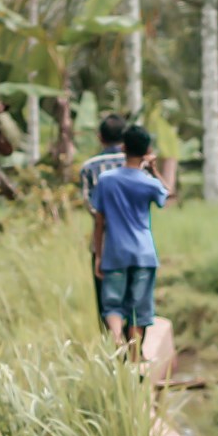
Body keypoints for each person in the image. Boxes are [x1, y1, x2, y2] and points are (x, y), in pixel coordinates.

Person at [90, 124, 171, 352]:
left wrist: (99, 255)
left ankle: (117, 339)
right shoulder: (149, 183)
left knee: (112, 304)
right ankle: (135, 356)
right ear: (147, 150)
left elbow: (99, 221)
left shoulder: (106, 180)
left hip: (115, 251)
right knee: (139, 309)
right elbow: (168, 193)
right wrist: (154, 170)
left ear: (123, 147)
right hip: (144, 253)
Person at [79, 113, 127, 317]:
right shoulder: (136, 163)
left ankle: (111, 335)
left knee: (106, 302)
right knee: (134, 299)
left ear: (100, 137)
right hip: (135, 240)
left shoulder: (89, 167)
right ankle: (132, 337)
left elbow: (89, 204)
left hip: (103, 241)